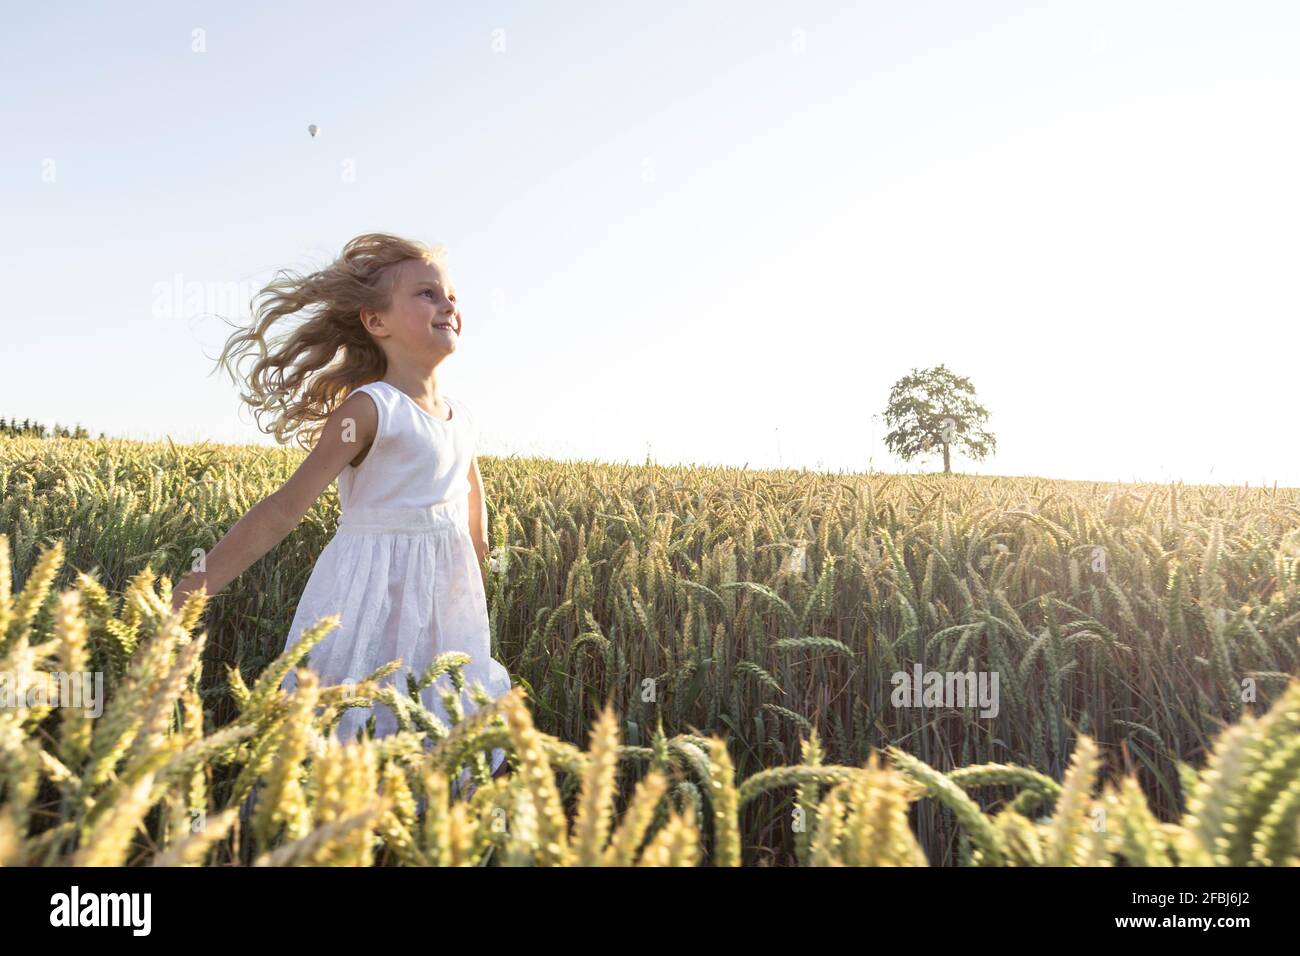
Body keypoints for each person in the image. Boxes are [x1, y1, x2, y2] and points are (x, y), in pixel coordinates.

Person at [170, 232, 512, 787]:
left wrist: (476, 552)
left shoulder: (462, 416)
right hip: (368, 591)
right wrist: (198, 583)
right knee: (353, 715)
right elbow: (285, 506)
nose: (448, 304)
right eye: (427, 294)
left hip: (445, 603)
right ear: (376, 322)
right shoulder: (372, 407)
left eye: (451, 295)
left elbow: (470, 491)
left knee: (442, 716)